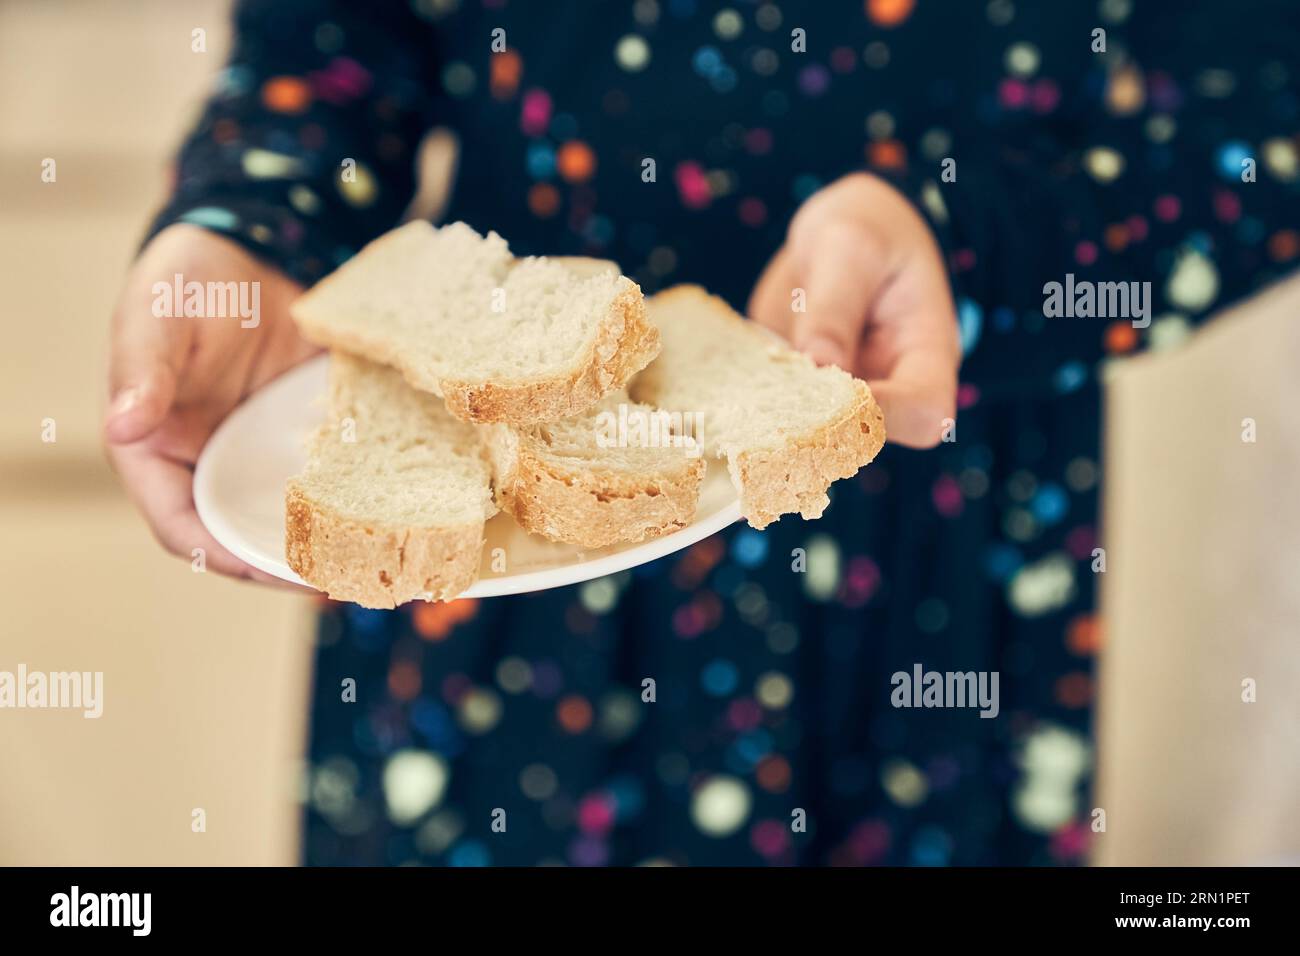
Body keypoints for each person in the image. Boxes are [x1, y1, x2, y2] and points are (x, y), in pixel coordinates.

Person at [104, 0, 1299, 865]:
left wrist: (968, 243)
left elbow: (1263, 139)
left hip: (921, 568)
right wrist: (249, 221)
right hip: (501, 537)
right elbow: (331, 42)